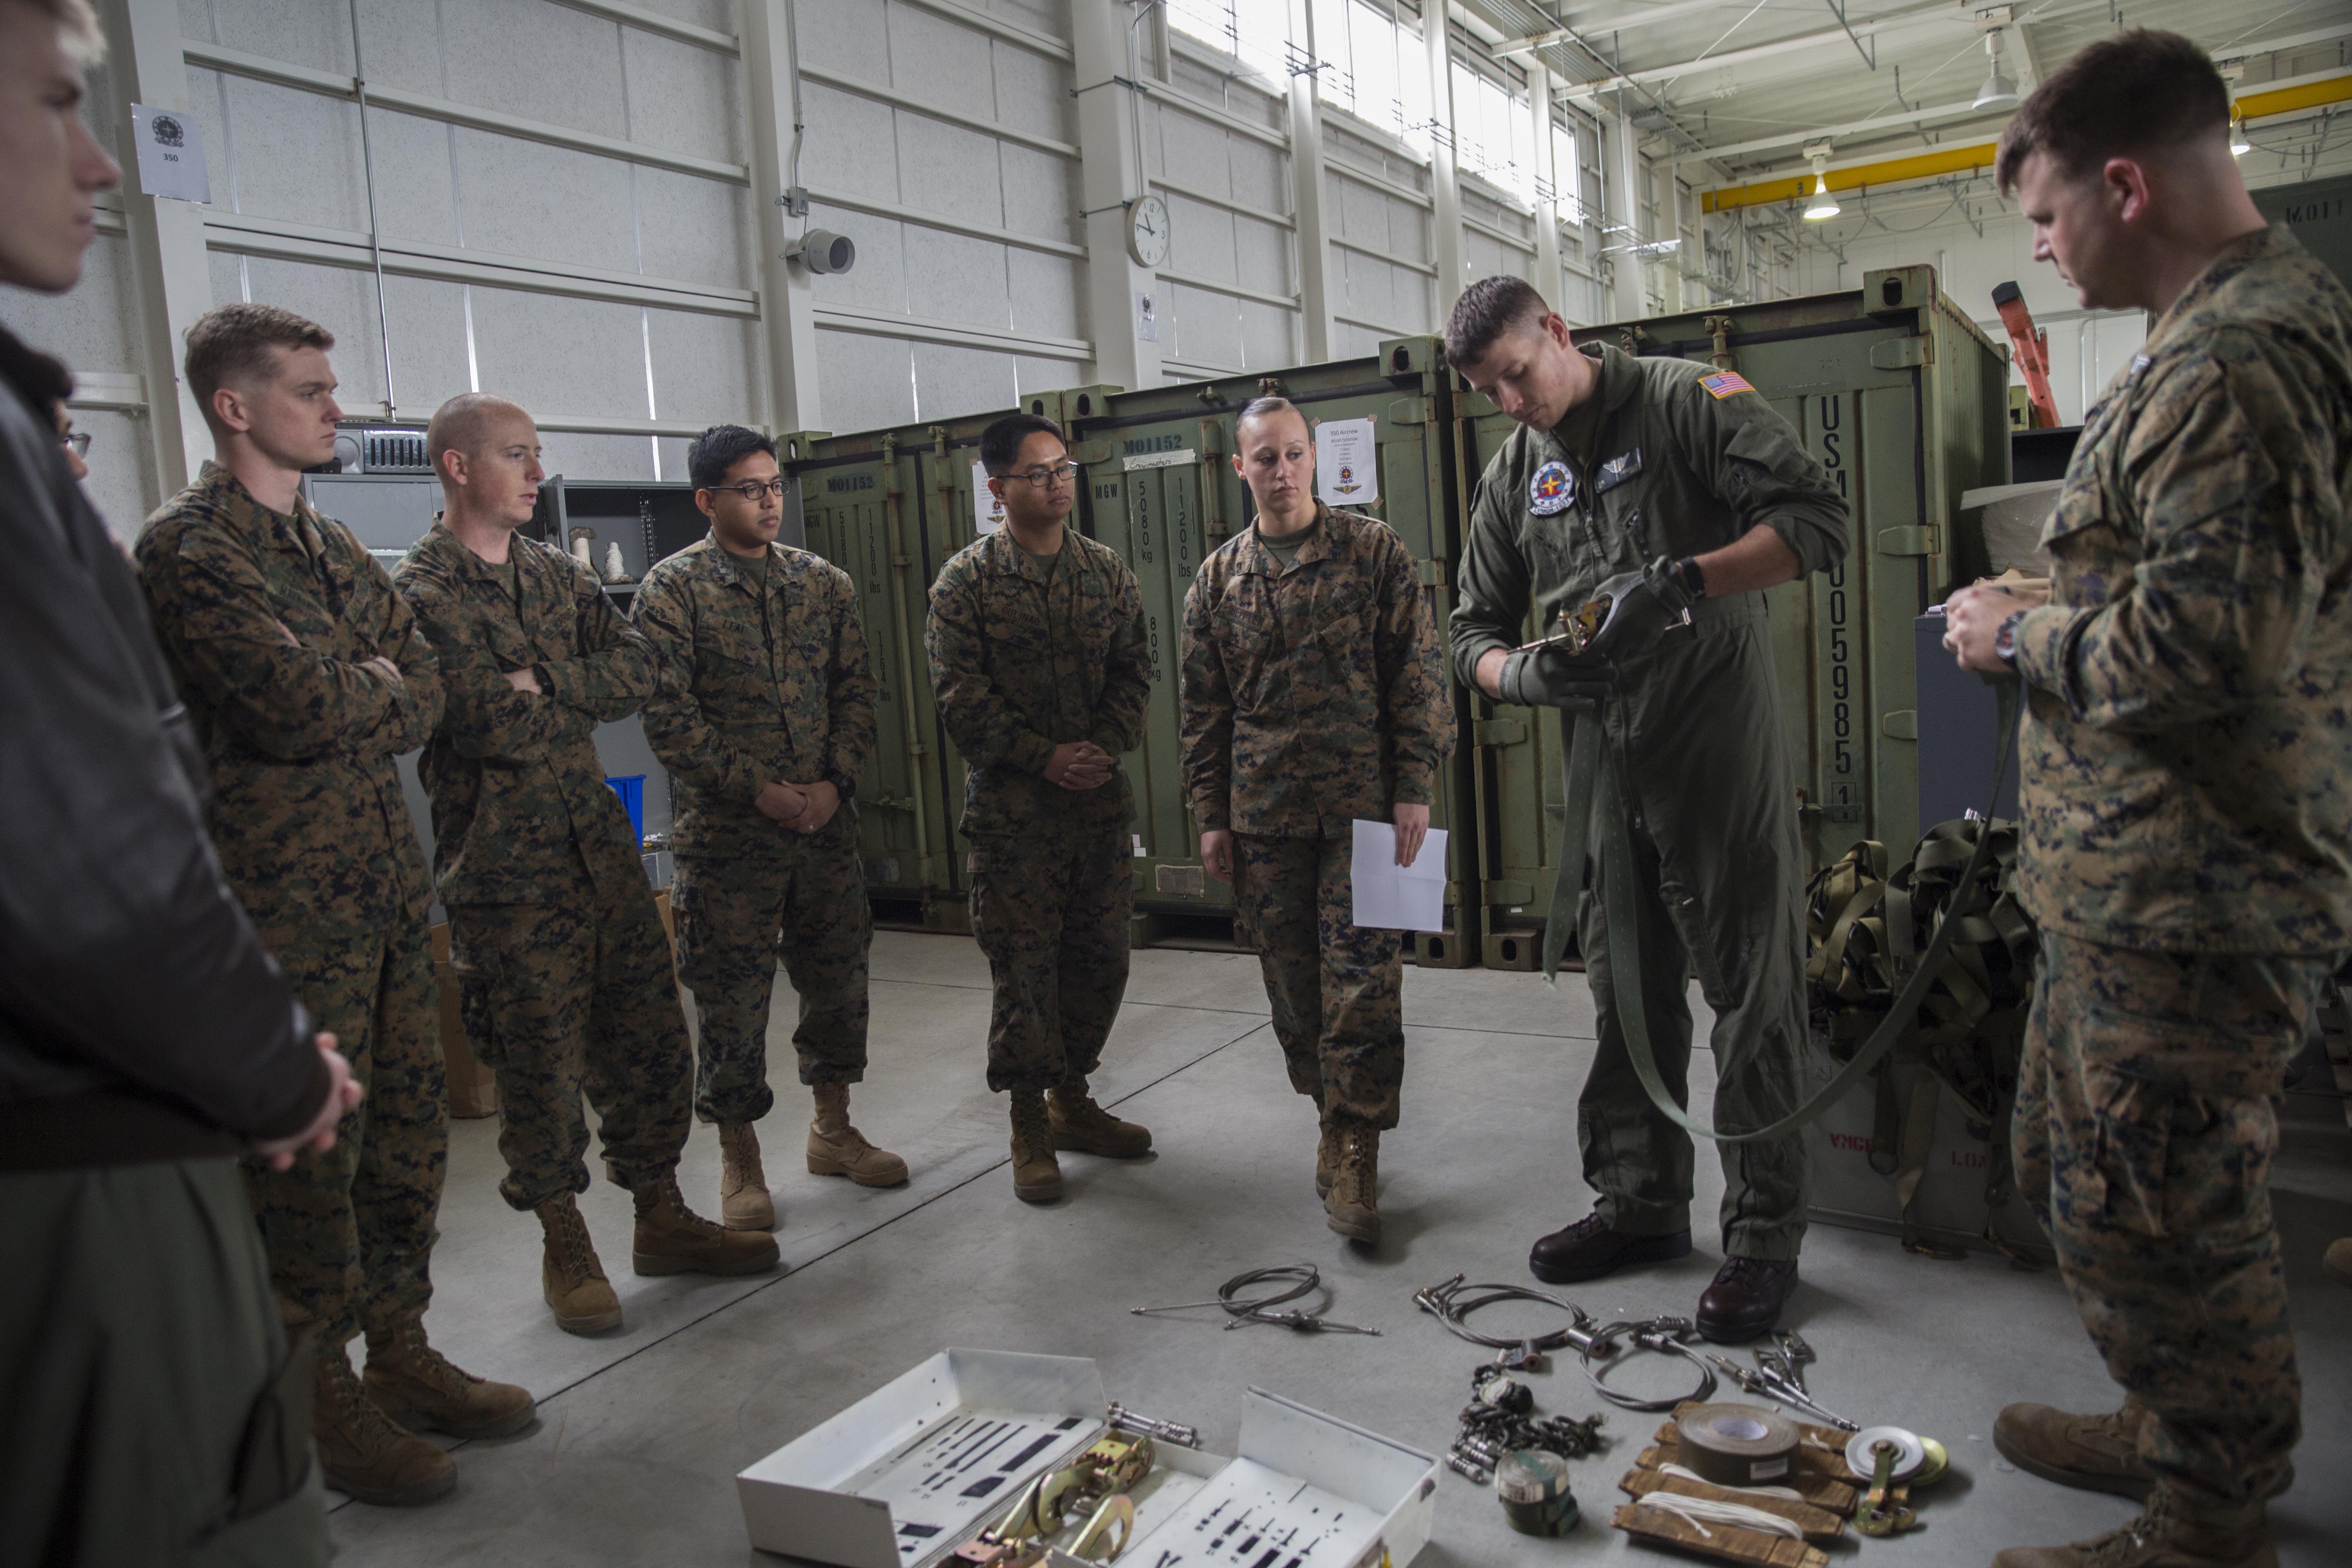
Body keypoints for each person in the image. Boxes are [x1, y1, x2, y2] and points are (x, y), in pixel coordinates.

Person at [1940, 31, 2352, 1568]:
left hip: (2199, 890)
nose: (2040, 249)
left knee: (2165, 1204)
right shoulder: (2211, 333)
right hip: (2133, 885)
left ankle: (2209, 1506)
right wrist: (2049, 587)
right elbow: (2180, 578)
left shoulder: (2238, 357)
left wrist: (2016, 634)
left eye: (2046, 217)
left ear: (2125, 180)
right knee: (2091, 1177)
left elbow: (2212, 647)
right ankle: (2173, 1414)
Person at [0, 2, 350, 1559]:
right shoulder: (165, 539)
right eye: (59, 100)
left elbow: (388, 683)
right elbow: (86, 869)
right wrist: (263, 1069)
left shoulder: (330, 552)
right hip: (83, 1147)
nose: (95, 160)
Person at [135, 304, 534, 1506]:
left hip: (382, 897)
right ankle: (316, 1392)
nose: (337, 407)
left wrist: (367, 683)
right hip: (276, 916)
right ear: (235, 406)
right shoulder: (189, 550)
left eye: (332, 387)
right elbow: (295, 711)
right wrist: (368, 685)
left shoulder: (332, 548)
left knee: (406, 1136)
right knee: (310, 1164)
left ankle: (400, 1349)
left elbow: (427, 693)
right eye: (311, 391)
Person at [1446, 274, 1850, 1343]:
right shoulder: (1515, 474)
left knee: (1752, 993)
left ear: (1560, 335)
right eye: (1489, 390)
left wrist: (1683, 581)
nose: (1510, 403)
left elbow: (1817, 523)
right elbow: (1466, 634)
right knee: (1626, 995)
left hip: (1715, 759)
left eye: (1517, 376)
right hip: (1604, 772)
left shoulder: (1688, 403)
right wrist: (1520, 680)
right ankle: (1640, 1205)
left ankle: (1764, 1239)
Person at [396, 392, 776, 1336]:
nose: (536, 474)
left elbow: (637, 668)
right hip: (506, 872)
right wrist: (553, 692)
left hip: (599, 853)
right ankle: (566, 1243)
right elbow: (476, 718)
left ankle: (660, 1217)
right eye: (517, 456)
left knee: (649, 1037)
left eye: (537, 454)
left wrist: (548, 682)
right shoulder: (421, 591)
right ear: (457, 466)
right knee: (538, 1062)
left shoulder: (551, 574)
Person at [1177, 397, 1449, 1245]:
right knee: (1294, 989)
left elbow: (1419, 675)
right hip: (1267, 819)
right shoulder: (1218, 579)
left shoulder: (1375, 553)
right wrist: (1211, 816)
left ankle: (1357, 1141)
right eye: (1268, 459)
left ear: (1315, 460)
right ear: (1240, 468)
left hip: (1372, 814)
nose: (1285, 472)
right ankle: (1330, 1115)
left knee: (1367, 983)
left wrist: (1415, 784)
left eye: (1297, 455)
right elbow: (1204, 709)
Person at [634, 423, 902, 1231]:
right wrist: (760, 791)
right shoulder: (672, 590)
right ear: (707, 500)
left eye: (774, 486)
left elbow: (858, 692)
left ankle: (833, 1127)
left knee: (836, 982)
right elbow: (670, 721)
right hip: (729, 844)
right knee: (730, 1000)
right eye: (749, 490)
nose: (768, 501)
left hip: (823, 830)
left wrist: (834, 784)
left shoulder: (823, 583)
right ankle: (739, 1158)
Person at [925, 412, 1154, 1203]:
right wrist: (1043, 757)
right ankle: (1029, 1122)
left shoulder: (1105, 572)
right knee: (1025, 974)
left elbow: (1136, 668)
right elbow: (961, 700)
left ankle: (1073, 1099)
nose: (1058, 482)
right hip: (1016, 817)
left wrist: (1103, 745)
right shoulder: (967, 585)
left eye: (1065, 468)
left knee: (1101, 964)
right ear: (998, 490)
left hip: (1095, 808)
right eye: (1038, 473)